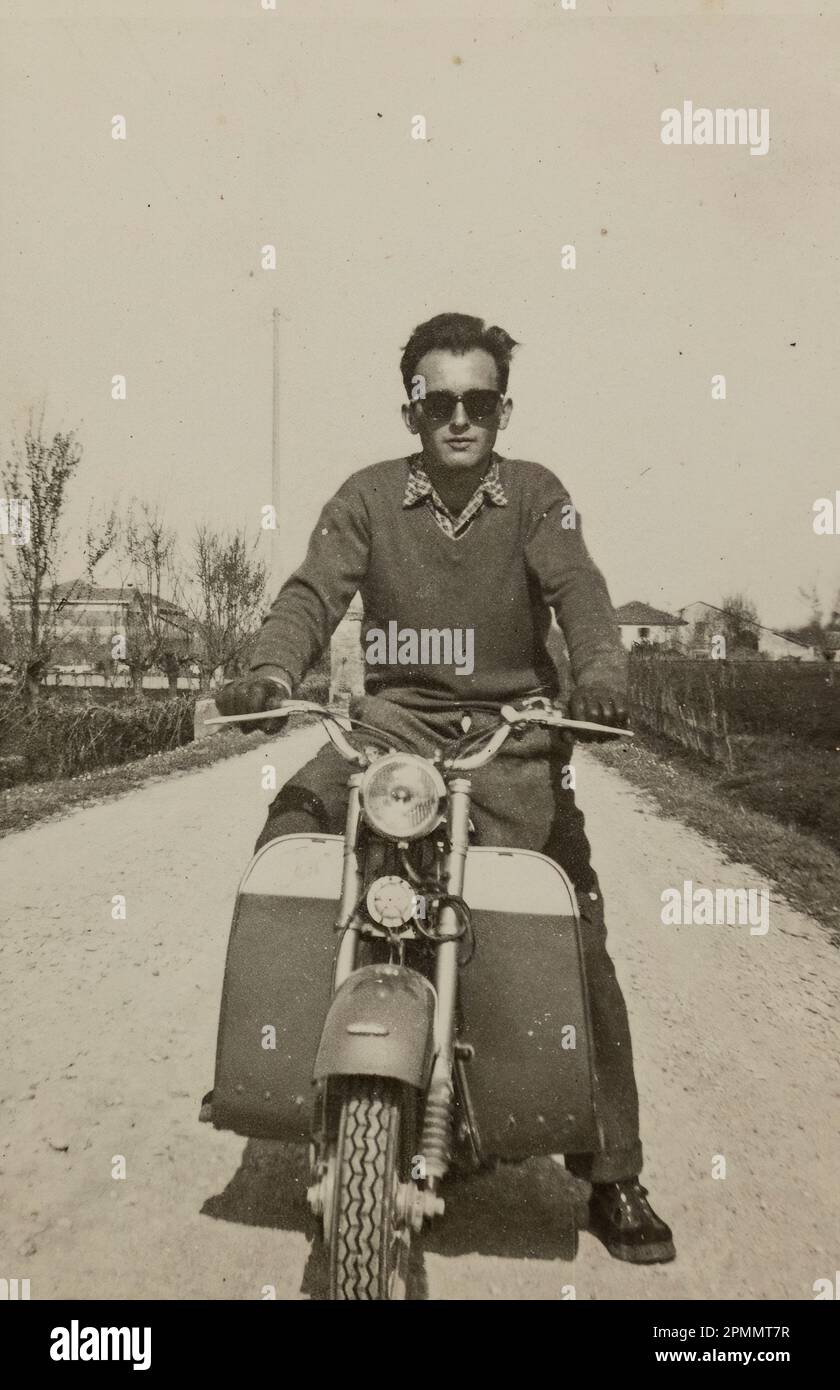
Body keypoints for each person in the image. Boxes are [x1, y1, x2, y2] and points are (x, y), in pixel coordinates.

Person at [218, 311, 675, 1263]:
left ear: (502, 409)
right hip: (391, 731)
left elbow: (582, 592)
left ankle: (613, 1170)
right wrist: (271, 672)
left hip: (512, 741)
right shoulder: (370, 497)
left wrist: (599, 682)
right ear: (412, 409)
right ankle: (298, 1080)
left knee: (575, 929)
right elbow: (312, 593)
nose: (459, 417)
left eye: (479, 400)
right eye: (440, 401)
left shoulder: (541, 497)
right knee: (288, 840)